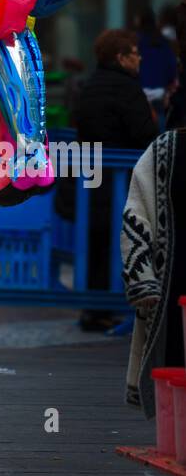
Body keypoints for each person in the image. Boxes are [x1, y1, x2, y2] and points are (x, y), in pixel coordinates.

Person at [66, 29, 159, 332]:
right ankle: (126, 305)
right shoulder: (127, 88)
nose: (140, 58)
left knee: (96, 242)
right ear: (121, 58)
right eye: (135, 53)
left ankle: (95, 309)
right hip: (122, 179)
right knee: (124, 241)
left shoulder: (90, 86)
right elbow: (145, 134)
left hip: (91, 177)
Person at [121, 127, 186, 415]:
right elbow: (135, 214)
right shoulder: (166, 149)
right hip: (172, 287)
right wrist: (142, 279)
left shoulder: (166, 148)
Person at [136, 8, 177, 115]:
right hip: (159, 89)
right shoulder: (163, 41)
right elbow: (171, 65)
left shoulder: (136, 41)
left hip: (140, 89)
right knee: (159, 122)